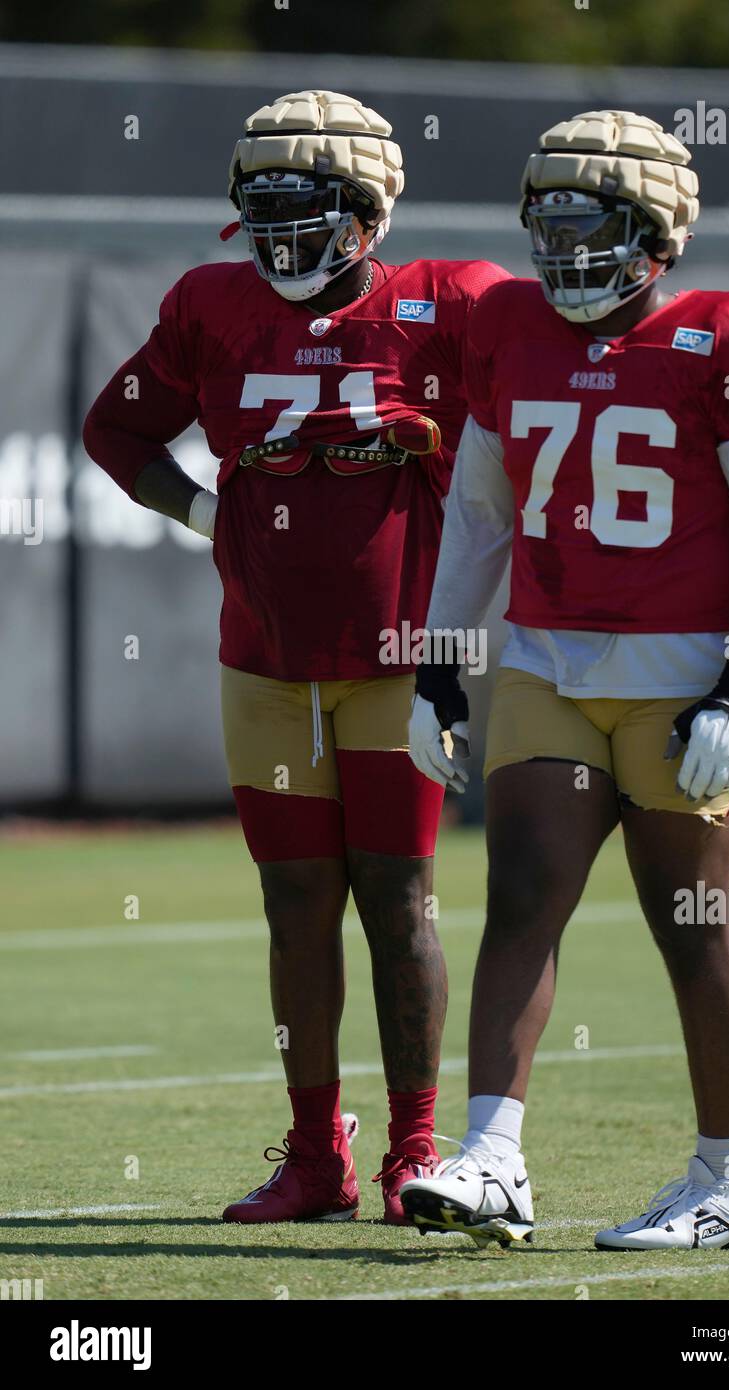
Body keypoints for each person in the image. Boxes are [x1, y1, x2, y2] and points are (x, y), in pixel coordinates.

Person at [83, 89, 509, 1225]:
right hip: (262, 657)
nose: (278, 239)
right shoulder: (212, 303)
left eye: (304, 212)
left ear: (367, 216)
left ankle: (414, 1150)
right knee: (292, 902)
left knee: (396, 894)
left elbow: (535, 416)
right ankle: (316, 1152)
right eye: (261, 212)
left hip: (395, 654)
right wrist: (207, 519)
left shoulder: (447, 303)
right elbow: (114, 427)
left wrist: (440, 450)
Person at [401, 110, 729, 1251]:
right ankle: (493, 1157)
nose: (564, 247)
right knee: (522, 897)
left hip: (683, 675)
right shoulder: (504, 323)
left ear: (654, 232)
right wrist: (439, 668)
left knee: (688, 921)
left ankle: (728, 1180)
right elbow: (478, 512)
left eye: (591, 221)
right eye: (549, 220)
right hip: (545, 657)